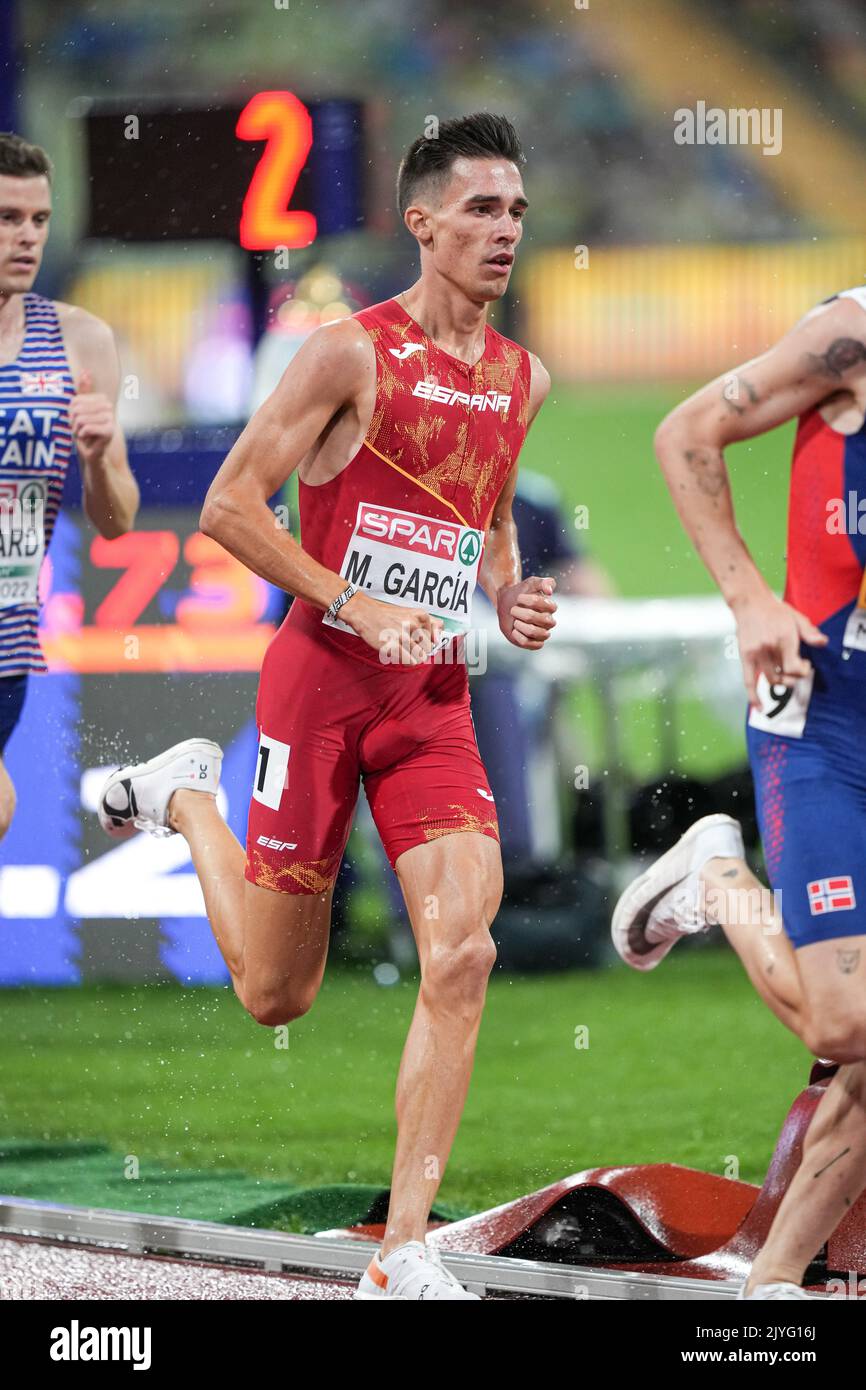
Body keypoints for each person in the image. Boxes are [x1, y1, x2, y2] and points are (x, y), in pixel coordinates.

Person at [97, 113, 556, 1301]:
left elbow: (487, 517)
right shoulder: (346, 355)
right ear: (421, 222)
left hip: (433, 701)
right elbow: (231, 509)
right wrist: (357, 602)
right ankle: (188, 795)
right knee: (273, 994)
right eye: (478, 210)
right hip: (320, 689)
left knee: (461, 950)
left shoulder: (523, 378)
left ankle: (403, 1247)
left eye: (513, 210)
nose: (502, 230)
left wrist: (509, 595)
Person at [612, 284, 866, 1300]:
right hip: (821, 711)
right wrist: (747, 596)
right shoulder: (847, 337)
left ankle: (769, 1284)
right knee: (843, 1025)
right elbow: (684, 436)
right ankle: (713, 874)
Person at [0, 132, 138, 840]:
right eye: (6, 218)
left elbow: (117, 520)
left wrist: (94, 457)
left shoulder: (81, 343)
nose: (27, 237)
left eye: (39, 220)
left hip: (10, 638)